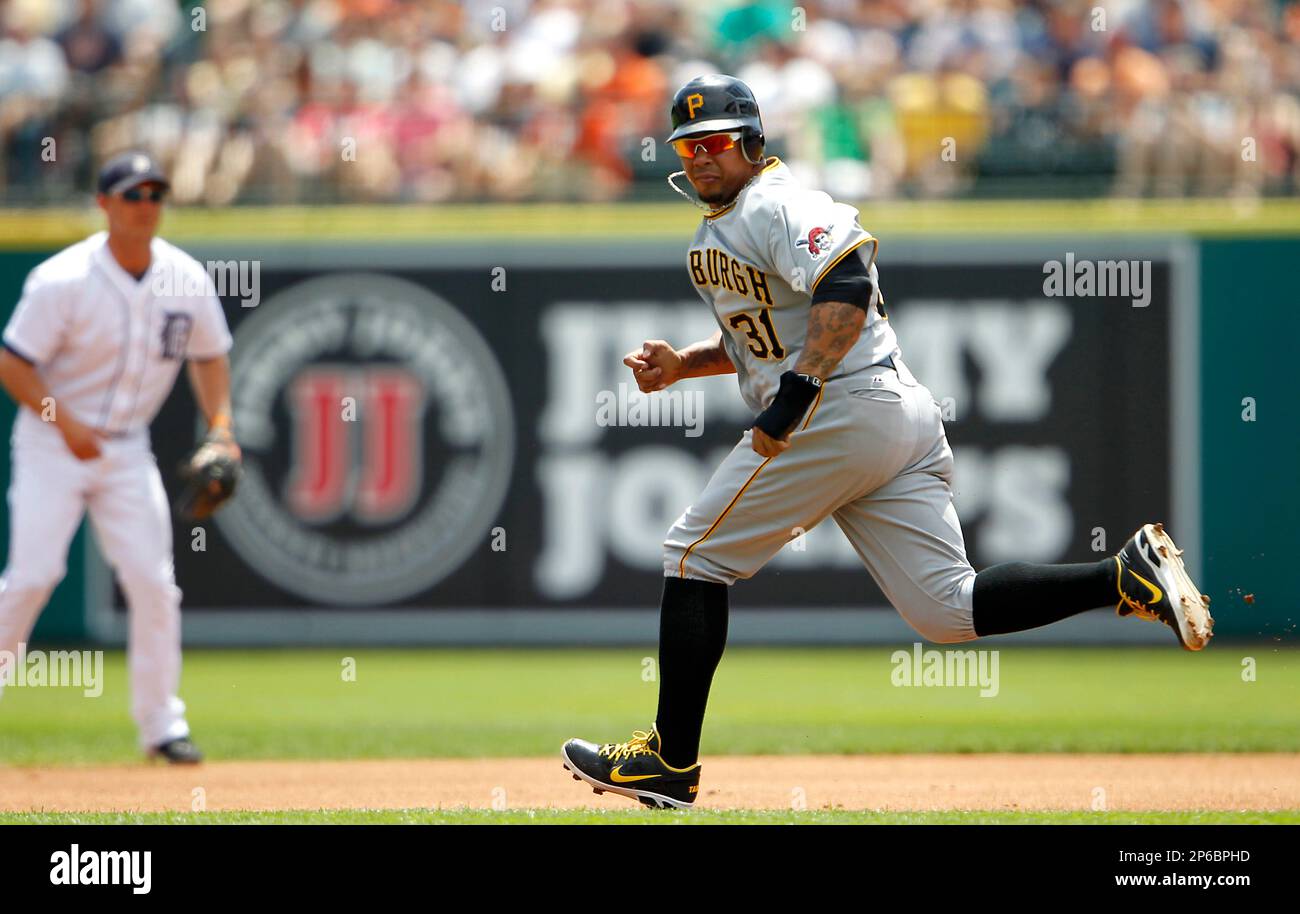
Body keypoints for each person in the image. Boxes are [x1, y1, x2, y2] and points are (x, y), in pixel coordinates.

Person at [561, 75, 1213, 809]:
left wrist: (798, 394)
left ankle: (670, 762)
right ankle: (1122, 575)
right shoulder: (724, 225)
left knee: (693, 557)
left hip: (844, 404)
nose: (701, 157)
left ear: (752, 142)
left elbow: (848, 279)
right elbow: (772, 334)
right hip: (890, 412)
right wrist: (686, 364)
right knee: (948, 611)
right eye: (688, 146)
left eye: (714, 142)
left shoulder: (776, 201)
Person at [0, 152, 238, 763]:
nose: (147, 205)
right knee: (31, 578)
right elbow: (12, 363)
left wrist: (222, 427)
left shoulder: (185, 279)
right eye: (133, 194)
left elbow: (209, 354)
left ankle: (161, 726)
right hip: (52, 443)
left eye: (156, 193)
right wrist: (64, 421)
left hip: (127, 449)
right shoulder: (62, 279)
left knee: (154, 585)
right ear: (104, 204)